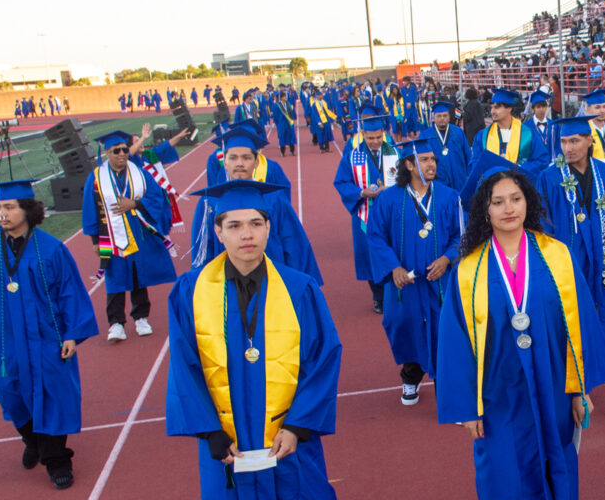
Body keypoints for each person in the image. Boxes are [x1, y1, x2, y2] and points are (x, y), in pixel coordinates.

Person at [165, 179, 347, 500]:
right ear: (218, 231)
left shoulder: (300, 288)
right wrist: (209, 431)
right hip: (229, 443)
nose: (248, 234)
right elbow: (183, 365)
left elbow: (323, 358)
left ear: (270, 228)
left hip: (288, 442)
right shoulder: (189, 292)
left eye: (257, 224)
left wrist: (300, 426)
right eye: (235, 225)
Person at [435, 153, 605, 500]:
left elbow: (579, 328)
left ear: (527, 202)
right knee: (504, 475)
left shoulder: (556, 255)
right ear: (484, 211)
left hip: (552, 386)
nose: (508, 208)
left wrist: (580, 390)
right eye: (498, 202)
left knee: (556, 472)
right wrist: (466, 407)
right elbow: (455, 343)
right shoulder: (468, 269)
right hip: (497, 394)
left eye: (516, 198)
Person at [0, 180, 98, 490]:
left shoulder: (51, 249)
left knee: (52, 397)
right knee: (12, 396)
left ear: (28, 210)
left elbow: (70, 294)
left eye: (8, 207)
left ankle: (57, 460)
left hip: (47, 340)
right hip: (5, 341)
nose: (1, 214)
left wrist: (73, 334)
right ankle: (30, 439)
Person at [537, 117, 605, 417]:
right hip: (567, 261)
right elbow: (542, 225)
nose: (568, 148)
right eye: (563, 142)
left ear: (589, 141)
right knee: (566, 323)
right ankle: (570, 390)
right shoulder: (548, 178)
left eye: (574, 141)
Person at [366, 135, 462, 406]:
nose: (431, 164)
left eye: (433, 159)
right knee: (404, 326)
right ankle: (410, 377)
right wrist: (392, 267)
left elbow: (460, 236)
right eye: (424, 160)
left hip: (440, 281)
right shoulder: (388, 199)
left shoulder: (449, 196)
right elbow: (375, 236)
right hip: (404, 282)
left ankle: (447, 386)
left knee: (444, 329)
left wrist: (447, 259)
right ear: (408, 165)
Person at [188, 128, 322, 283]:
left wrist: (301, 287)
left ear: (256, 162)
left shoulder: (274, 200)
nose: (239, 163)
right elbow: (203, 252)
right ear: (225, 162)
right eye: (233, 158)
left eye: (246, 158)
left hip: (272, 282)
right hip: (225, 287)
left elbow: (292, 244)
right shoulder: (209, 203)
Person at [82, 130, 177, 343]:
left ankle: (141, 317)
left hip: (138, 232)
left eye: (125, 150)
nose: (122, 154)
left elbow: (156, 195)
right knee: (115, 277)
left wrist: (133, 204)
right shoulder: (96, 177)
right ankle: (116, 323)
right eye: (116, 151)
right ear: (107, 153)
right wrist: (95, 241)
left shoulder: (139, 172)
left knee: (137, 274)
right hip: (112, 234)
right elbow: (89, 208)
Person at [333, 108, 400, 313]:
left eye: (379, 137)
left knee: (393, 248)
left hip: (392, 212)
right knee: (369, 253)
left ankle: (393, 291)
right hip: (365, 212)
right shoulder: (354, 155)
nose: (375, 141)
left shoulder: (395, 151)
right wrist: (362, 192)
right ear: (363, 134)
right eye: (370, 138)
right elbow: (341, 181)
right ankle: (377, 295)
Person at [471, 88, 550, 178]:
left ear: (509, 108)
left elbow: (542, 159)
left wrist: (520, 168)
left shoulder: (527, 134)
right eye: (492, 107)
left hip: (519, 185)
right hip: (493, 185)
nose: (492, 111)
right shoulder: (482, 136)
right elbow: (474, 162)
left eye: (497, 107)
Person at [427, 101, 473, 192]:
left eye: (445, 115)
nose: (442, 119)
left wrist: (469, 174)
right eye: (439, 116)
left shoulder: (458, 132)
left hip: (459, 177)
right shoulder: (426, 136)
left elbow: (468, 154)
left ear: (449, 117)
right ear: (433, 117)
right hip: (438, 179)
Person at [525, 90, 555, 154]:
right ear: (533, 108)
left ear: (546, 107)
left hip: (552, 162)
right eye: (538, 107)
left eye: (543, 106)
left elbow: (558, 146)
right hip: (535, 162)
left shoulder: (554, 125)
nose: (541, 109)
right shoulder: (526, 127)